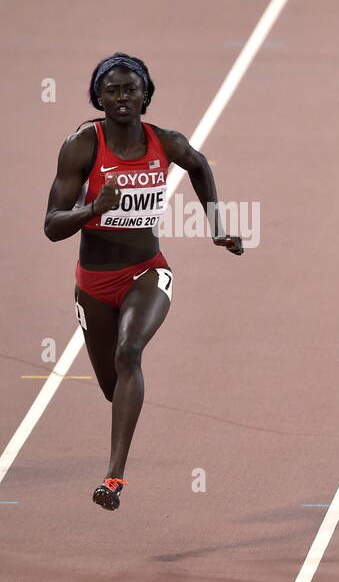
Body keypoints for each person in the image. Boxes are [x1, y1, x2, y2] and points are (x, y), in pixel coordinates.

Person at [43, 53, 243, 511]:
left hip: (147, 270)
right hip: (93, 282)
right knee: (114, 388)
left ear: (145, 95)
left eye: (130, 89)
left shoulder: (166, 143)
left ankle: (113, 479)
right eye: (111, 90)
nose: (121, 98)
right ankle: (123, 421)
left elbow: (199, 165)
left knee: (129, 351)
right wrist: (93, 209)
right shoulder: (81, 147)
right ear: (98, 96)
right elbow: (52, 226)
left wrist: (215, 224)